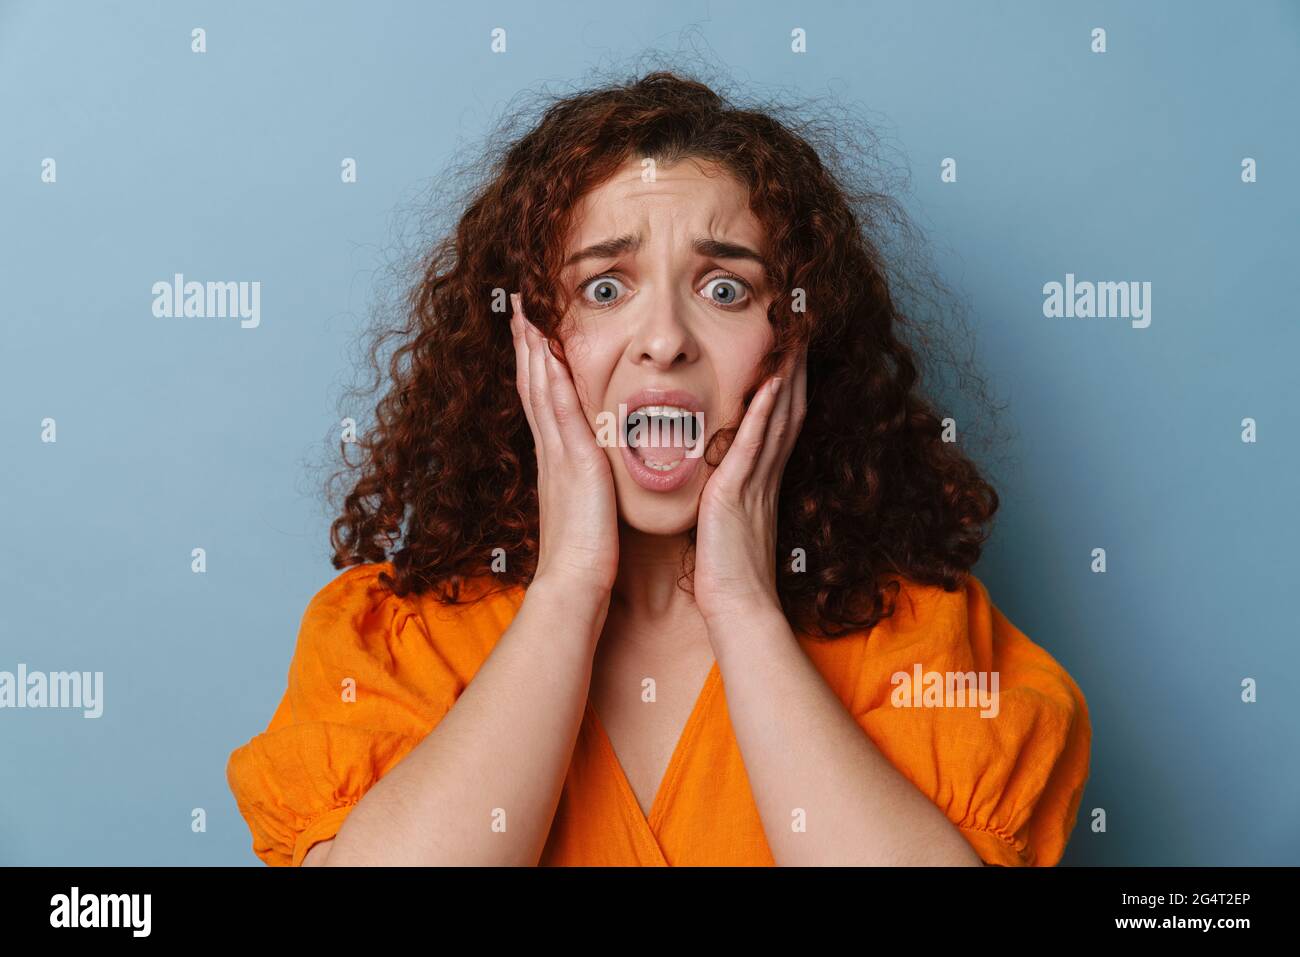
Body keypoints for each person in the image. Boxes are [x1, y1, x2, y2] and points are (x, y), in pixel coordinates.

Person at [227, 69, 1091, 867]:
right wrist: (569, 584)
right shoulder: (396, 641)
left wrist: (746, 605)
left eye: (725, 289)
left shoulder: (922, 647)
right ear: (532, 343)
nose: (666, 338)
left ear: (794, 346)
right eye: (605, 287)